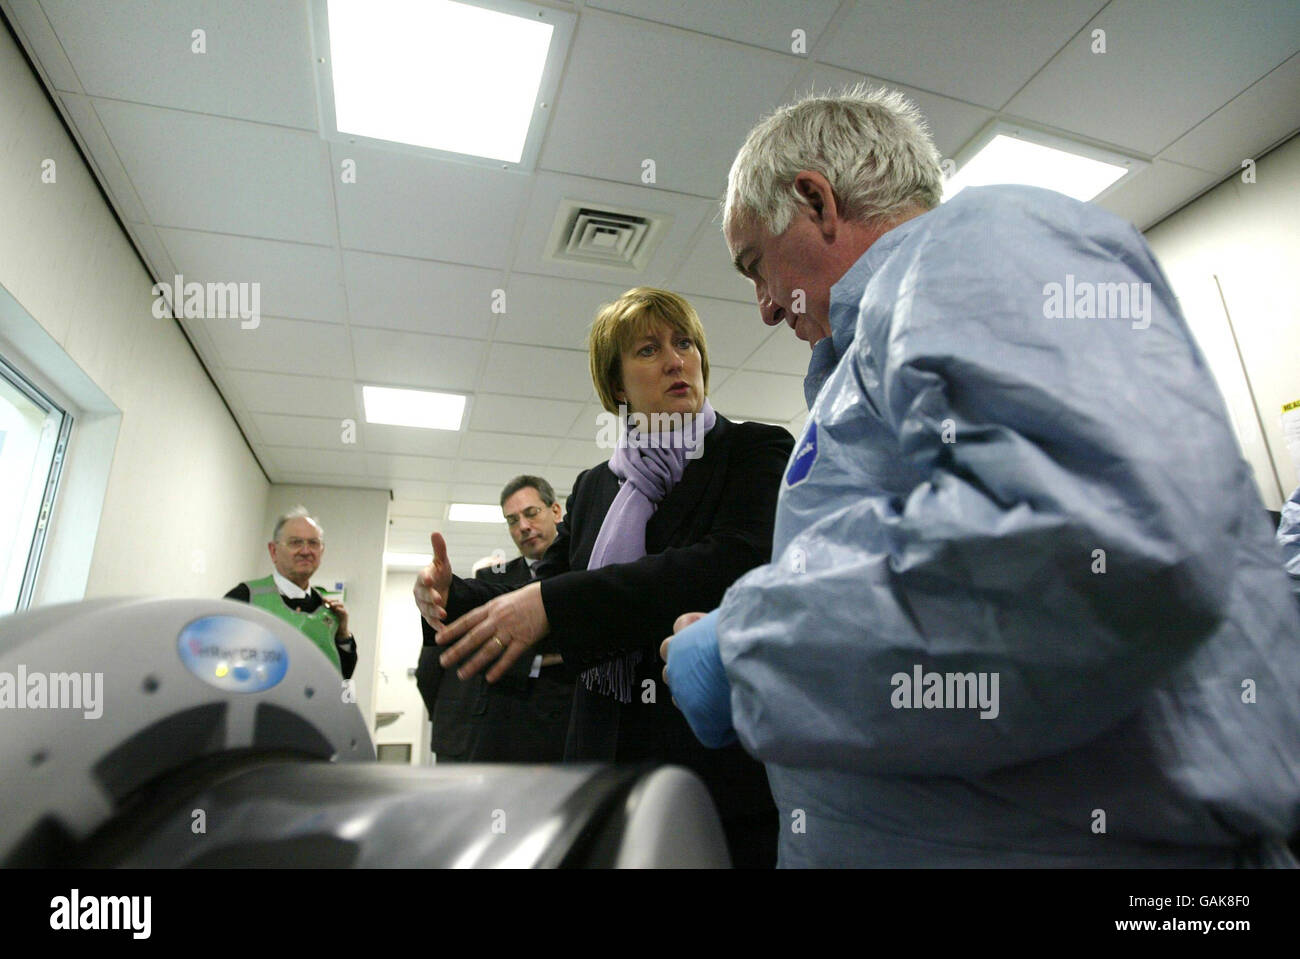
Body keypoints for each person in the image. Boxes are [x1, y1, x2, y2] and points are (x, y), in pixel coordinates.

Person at [661, 84, 1300, 867]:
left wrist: (747, 647)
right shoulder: (867, 359)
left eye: (755, 264)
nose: (762, 307)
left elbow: (1099, 544)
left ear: (816, 200)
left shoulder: (970, 244)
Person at [416, 287, 793, 867]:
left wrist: (555, 603)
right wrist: (454, 592)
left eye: (684, 342)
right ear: (617, 385)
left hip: (713, 768)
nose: (675, 360)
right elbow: (549, 576)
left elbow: (728, 563)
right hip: (601, 757)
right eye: (648, 349)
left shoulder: (753, 449)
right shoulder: (597, 485)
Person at [415, 475, 573, 762]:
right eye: (512, 520)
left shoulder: (584, 573)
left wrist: (519, 656)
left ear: (555, 511)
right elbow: (475, 654)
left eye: (531, 513)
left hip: (568, 736)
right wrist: (442, 596)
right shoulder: (491, 579)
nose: (523, 526)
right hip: (504, 736)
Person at [225, 507, 357, 680]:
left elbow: (341, 677)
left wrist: (343, 636)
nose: (305, 551)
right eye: (295, 542)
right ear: (274, 551)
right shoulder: (244, 598)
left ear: (321, 551)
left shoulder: (327, 611)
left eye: (313, 543)